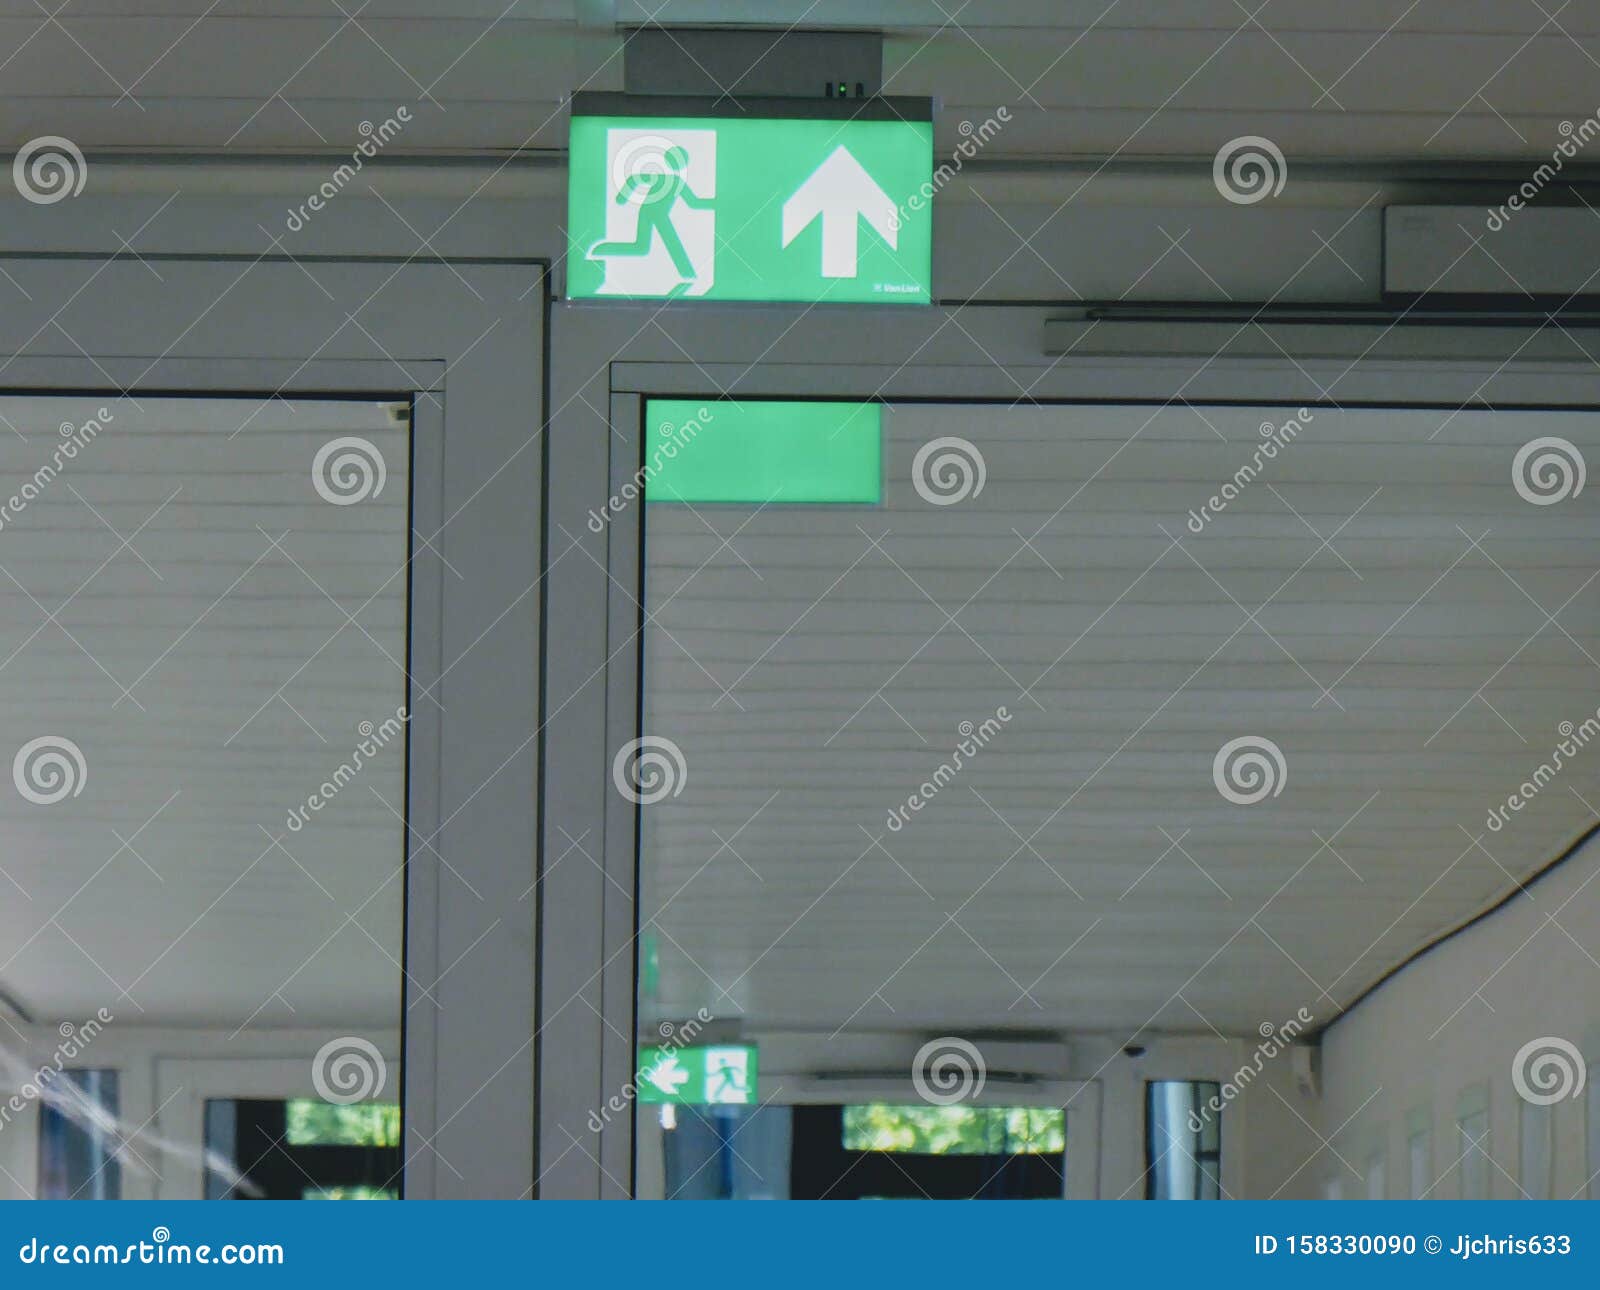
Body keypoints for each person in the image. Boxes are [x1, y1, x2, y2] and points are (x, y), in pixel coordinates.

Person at [588, 146, 713, 286]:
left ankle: (602, 249)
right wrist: (622, 197)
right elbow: (634, 179)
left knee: (641, 248)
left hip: (655, 213)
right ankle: (688, 275)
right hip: (651, 213)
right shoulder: (664, 179)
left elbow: (693, 202)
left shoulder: (676, 182)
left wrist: (717, 203)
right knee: (668, 243)